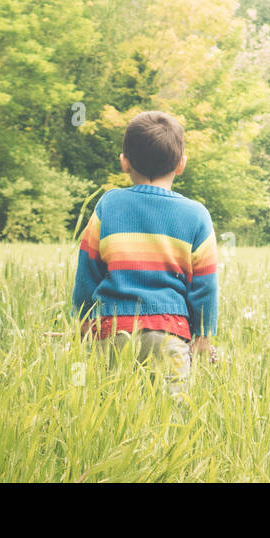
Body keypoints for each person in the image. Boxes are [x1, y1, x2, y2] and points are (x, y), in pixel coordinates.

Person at [72, 111, 218, 389]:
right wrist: (203, 336)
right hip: (169, 334)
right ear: (181, 164)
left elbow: (87, 267)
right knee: (169, 417)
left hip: (110, 330)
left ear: (124, 162)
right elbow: (206, 285)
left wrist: (82, 317)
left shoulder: (108, 204)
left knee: (108, 405)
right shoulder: (197, 215)